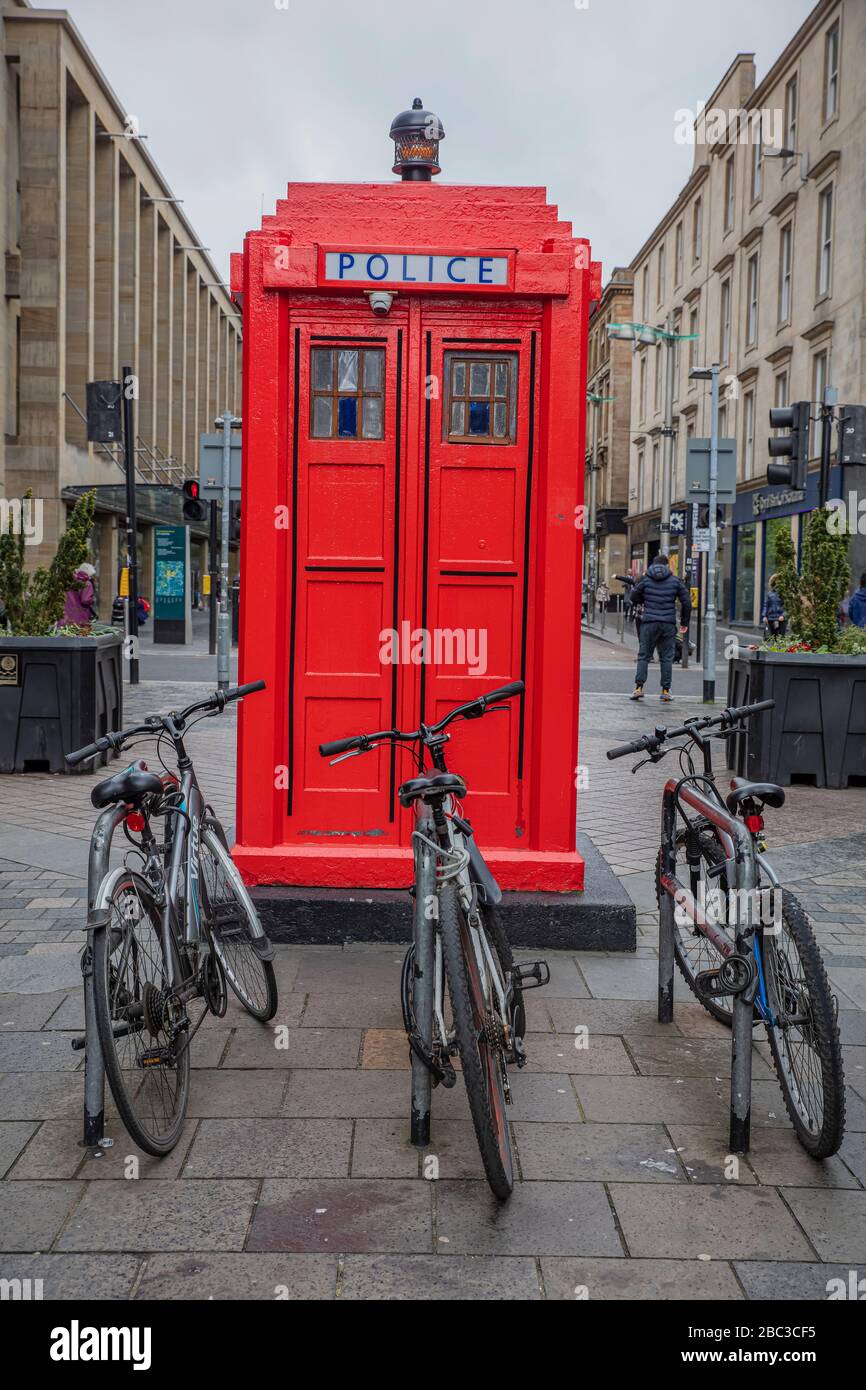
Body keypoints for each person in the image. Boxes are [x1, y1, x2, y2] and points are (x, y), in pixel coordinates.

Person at [628, 553, 691, 702]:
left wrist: (645, 600)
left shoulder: (646, 580)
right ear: (667, 565)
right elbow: (687, 602)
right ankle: (665, 691)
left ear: (653, 565)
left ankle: (638, 688)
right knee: (666, 658)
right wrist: (684, 623)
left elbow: (633, 597)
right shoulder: (675, 581)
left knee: (643, 656)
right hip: (668, 624)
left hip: (649, 622)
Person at [63, 562, 97, 627]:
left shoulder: (72, 581)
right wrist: (92, 600)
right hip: (81, 614)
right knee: (81, 633)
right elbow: (85, 600)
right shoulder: (87, 583)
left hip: (68, 614)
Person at [762, 574, 786, 639]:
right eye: (776, 581)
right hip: (771, 619)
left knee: (781, 638)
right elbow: (765, 605)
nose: (777, 583)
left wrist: (783, 615)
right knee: (772, 637)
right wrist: (764, 616)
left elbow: (787, 606)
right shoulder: (769, 594)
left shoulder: (784, 593)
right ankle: (773, 648)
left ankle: (780, 649)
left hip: (781, 619)